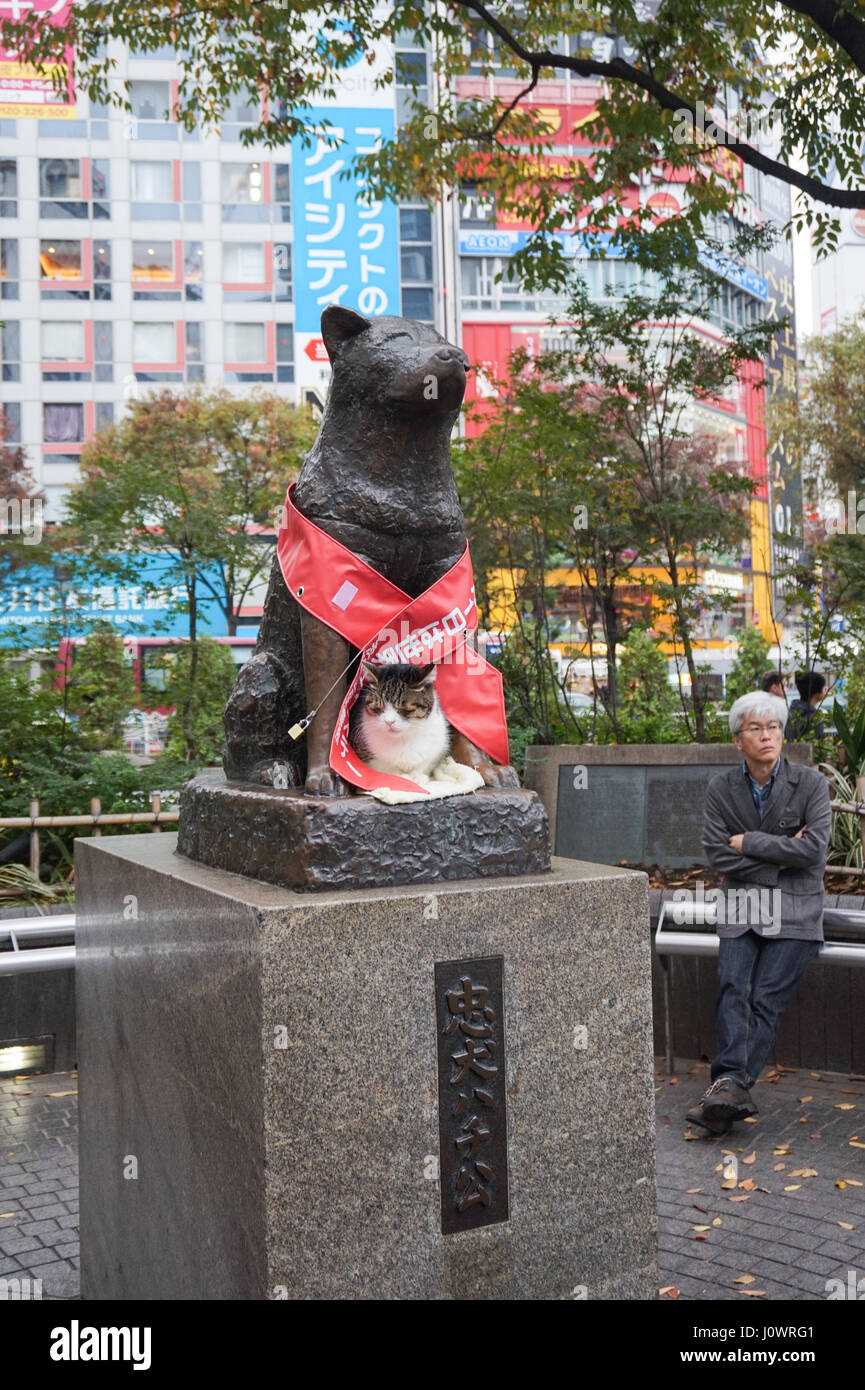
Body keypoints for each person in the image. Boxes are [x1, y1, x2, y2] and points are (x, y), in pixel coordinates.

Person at [687, 690, 831, 1134]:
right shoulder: (721, 789)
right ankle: (729, 1091)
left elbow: (814, 849)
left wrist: (749, 842)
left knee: (765, 995)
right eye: (756, 728)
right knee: (733, 987)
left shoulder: (810, 784)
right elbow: (716, 854)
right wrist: (781, 858)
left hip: (796, 907)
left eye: (773, 727)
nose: (767, 736)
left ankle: (727, 1086)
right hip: (742, 902)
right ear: (738, 740)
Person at [786, 670, 829, 742]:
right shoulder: (814, 718)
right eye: (823, 686)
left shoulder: (793, 711)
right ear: (817, 692)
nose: (826, 689)